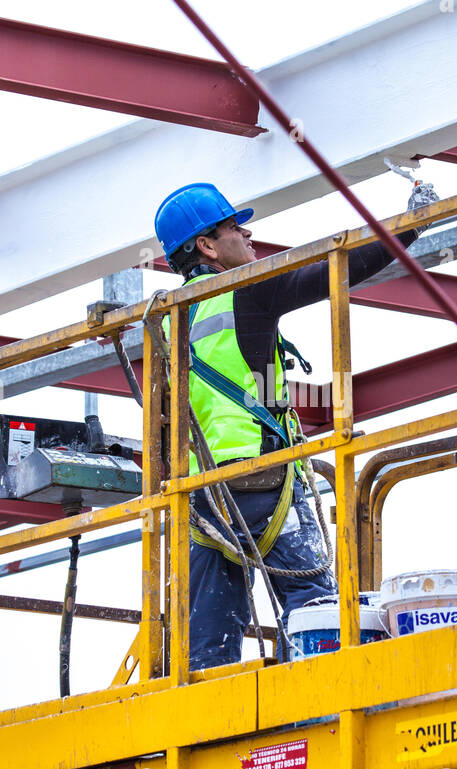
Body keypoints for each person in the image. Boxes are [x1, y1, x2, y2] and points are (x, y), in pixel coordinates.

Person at [153, 180, 437, 670]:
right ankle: (315, 712)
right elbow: (334, 268)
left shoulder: (164, 319)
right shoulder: (247, 292)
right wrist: (410, 227)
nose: (249, 237)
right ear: (206, 246)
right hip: (264, 480)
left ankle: (207, 736)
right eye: (234, 228)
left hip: (202, 497)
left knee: (208, 645)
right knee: (315, 612)